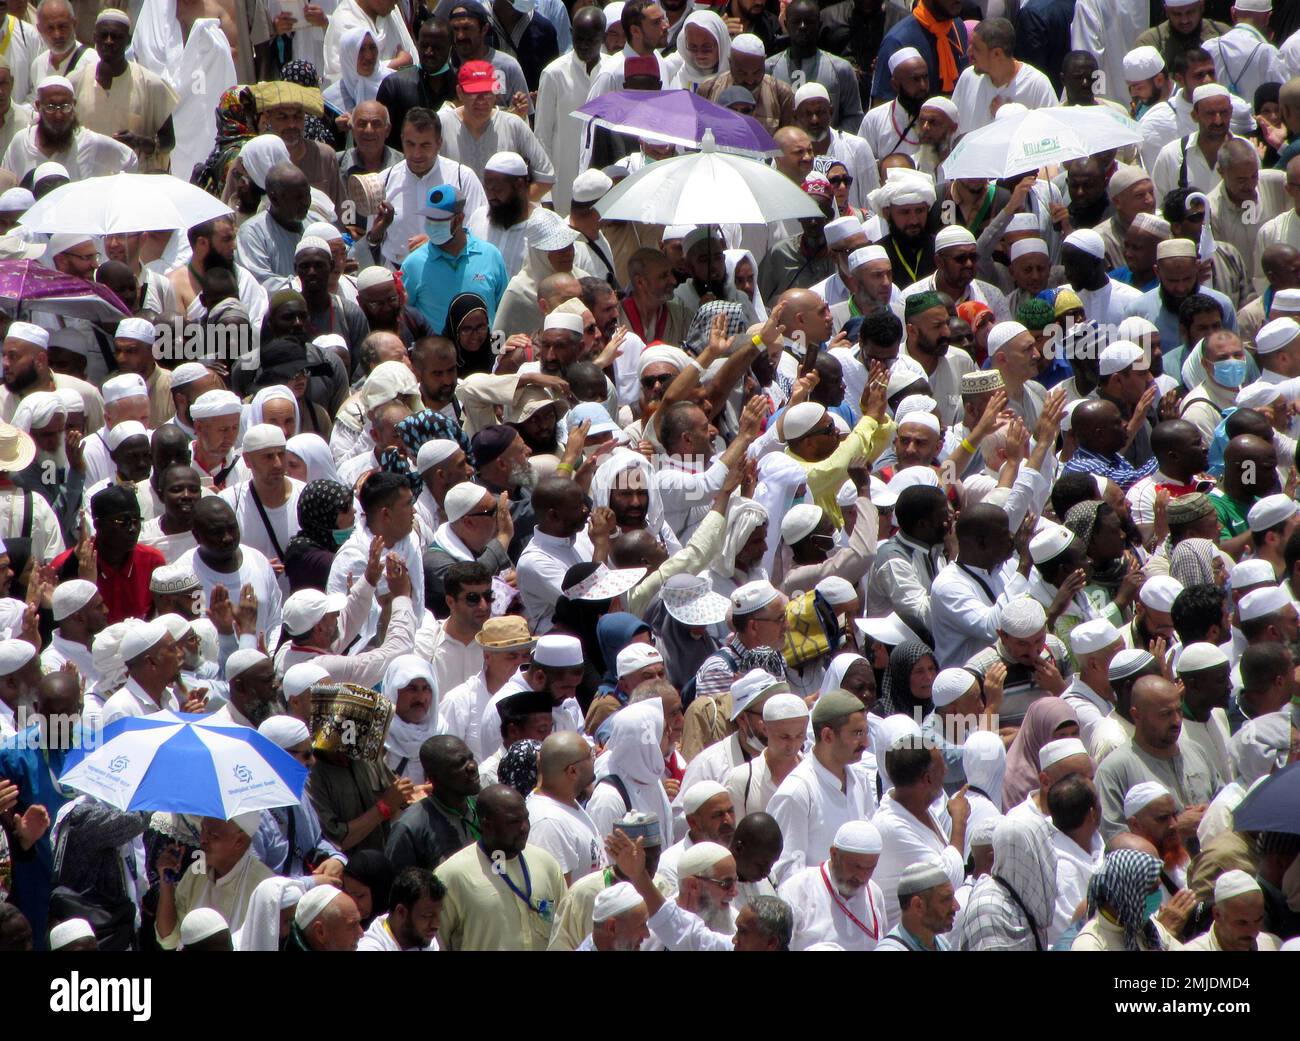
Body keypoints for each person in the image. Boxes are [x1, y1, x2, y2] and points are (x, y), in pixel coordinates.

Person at [434, 784, 567, 951]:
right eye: (514, 822)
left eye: (526, 818)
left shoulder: (546, 864)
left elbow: (564, 930)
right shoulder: (452, 875)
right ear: (487, 825)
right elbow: (437, 943)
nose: (524, 828)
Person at [777, 820, 886, 950]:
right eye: (856, 866)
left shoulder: (874, 893)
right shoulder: (796, 890)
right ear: (834, 854)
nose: (862, 877)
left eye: (870, 868)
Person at [357, 866, 444, 951]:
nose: (436, 924)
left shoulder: (424, 937)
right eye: (428, 915)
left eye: (438, 913)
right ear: (401, 912)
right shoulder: (370, 947)